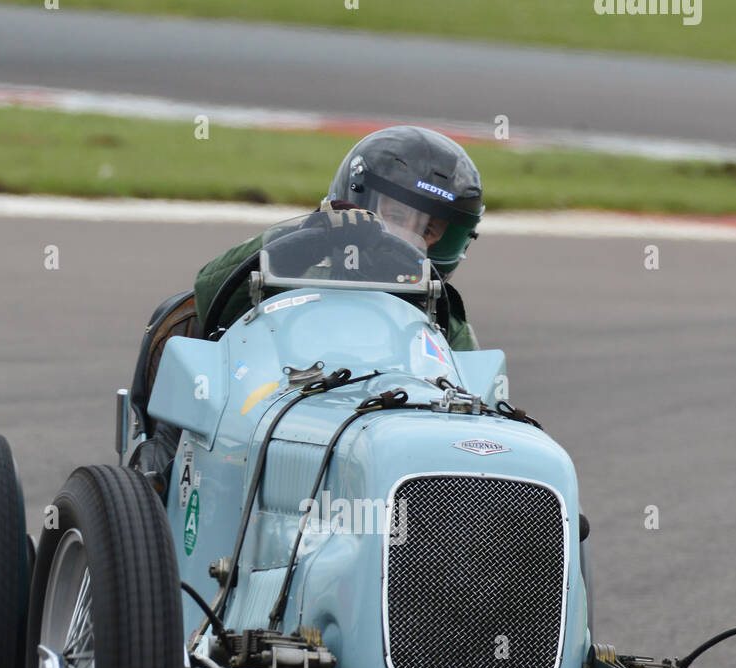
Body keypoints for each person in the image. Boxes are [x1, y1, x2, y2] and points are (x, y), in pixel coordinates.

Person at [135, 125, 485, 484]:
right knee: (181, 317)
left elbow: (468, 406)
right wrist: (310, 236)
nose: (406, 237)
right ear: (357, 200)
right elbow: (208, 291)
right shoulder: (292, 266)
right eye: (395, 217)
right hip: (270, 417)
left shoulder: (441, 315)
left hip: (388, 449)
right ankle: (163, 484)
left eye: (428, 231)